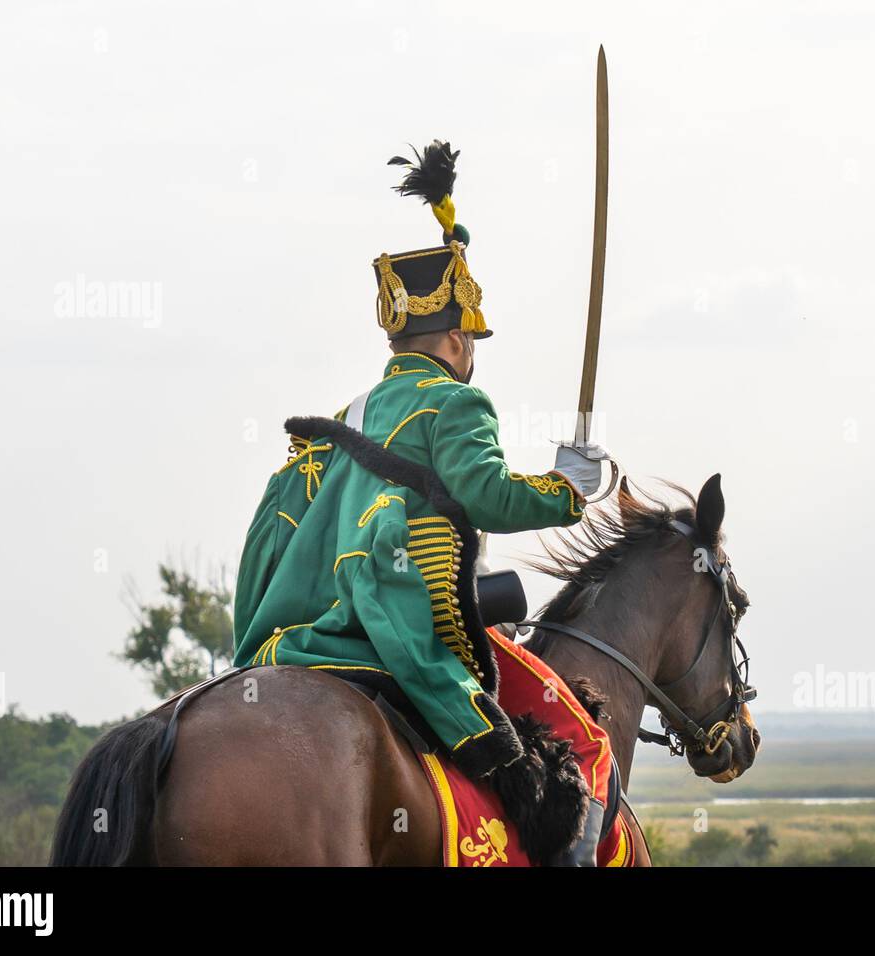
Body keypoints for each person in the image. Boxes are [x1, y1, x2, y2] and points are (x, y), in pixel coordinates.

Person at [231, 141, 614, 865]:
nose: (475, 349)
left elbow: (275, 537)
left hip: (298, 636)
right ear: (458, 333)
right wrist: (570, 490)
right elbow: (490, 496)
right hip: (400, 633)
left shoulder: (347, 416)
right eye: (473, 336)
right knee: (573, 734)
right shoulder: (455, 401)